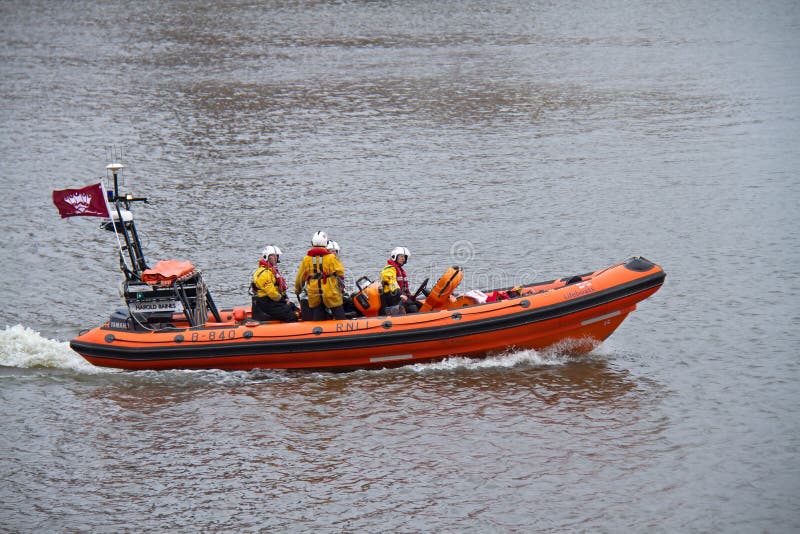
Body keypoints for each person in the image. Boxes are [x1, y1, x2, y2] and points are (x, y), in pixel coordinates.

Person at [294, 231, 346, 320]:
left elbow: (300, 278)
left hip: (314, 293)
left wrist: (297, 290)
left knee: (318, 317)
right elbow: (340, 271)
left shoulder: (306, 259)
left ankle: (317, 332)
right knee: (339, 315)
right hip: (330, 293)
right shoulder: (331, 258)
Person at [251, 245, 298, 322]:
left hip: (272, 302)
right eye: (275, 256)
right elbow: (272, 293)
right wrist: (283, 301)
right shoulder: (264, 274)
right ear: (268, 257)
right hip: (267, 304)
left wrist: (285, 299)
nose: (277, 258)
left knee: (292, 306)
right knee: (291, 316)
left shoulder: (271, 271)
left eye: (277, 256)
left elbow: (278, 289)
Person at [380, 246, 419, 314]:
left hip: (398, 296)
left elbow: (404, 288)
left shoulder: (400, 270)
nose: (403, 259)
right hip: (392, 298)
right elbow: (392, 283)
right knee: (413, 308)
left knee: (418, 304)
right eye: (401, 256)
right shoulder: (389, 269)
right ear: (395, 256)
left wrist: (409, 295)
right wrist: (400, 294)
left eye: (404, 257)